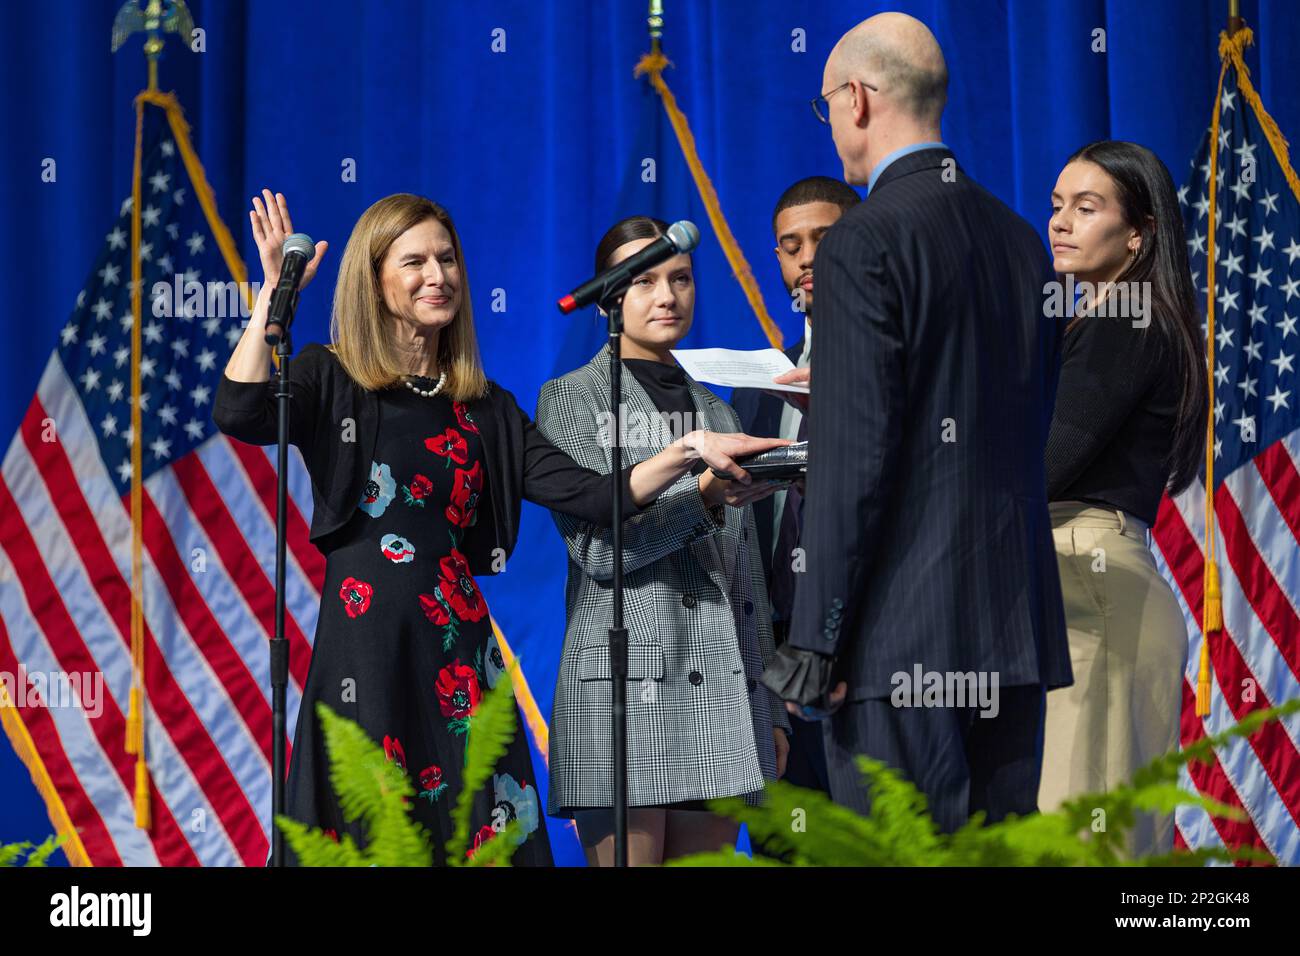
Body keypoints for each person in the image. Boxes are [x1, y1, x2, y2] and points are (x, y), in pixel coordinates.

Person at [213, 191, 785, 866]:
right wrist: (274, 298)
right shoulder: (331, 375)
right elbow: (241, 408)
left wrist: (687, 454)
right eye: (415, 261)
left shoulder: (484, 407)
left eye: (448, 259)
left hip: (458, 647)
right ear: (374, 279)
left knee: (479, 829)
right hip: (365, 649)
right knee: (370, 831)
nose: (438, 275)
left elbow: (595, 494)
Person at [762, 13, 1072, 834]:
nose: (829, 123)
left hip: (900, 642)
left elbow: (855, 458)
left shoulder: (862, 242)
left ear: (856, 100)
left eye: (825, 104)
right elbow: (1035, 416)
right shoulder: (1020, 242)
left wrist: (819, 640)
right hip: (1011, 632)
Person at [536, 215, 792, 866]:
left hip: (720, 696)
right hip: (623, 691)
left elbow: (748, 578)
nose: (667, 295)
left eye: (679, 277)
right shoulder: (571, 396)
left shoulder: (720, 410)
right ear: (609, 296)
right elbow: (599, 553)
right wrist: (701, 497)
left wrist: (772, 706)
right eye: (644, 280)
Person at [1040, 141, 1207, 854]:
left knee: (1084, 847)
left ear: (1137, 232)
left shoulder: (1129, 320)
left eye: (1087, 207)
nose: (1061, 223)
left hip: (1093, 590)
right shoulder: (1088, 323)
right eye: (1056, 206)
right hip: (1076, 587)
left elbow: (1044, 465)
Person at [731, 175, 860, 795]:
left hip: (873, 662)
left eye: (825, 238)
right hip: (777, 670)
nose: (807, 257)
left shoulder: (904, 366)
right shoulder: (756, 387)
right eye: (790, 245)